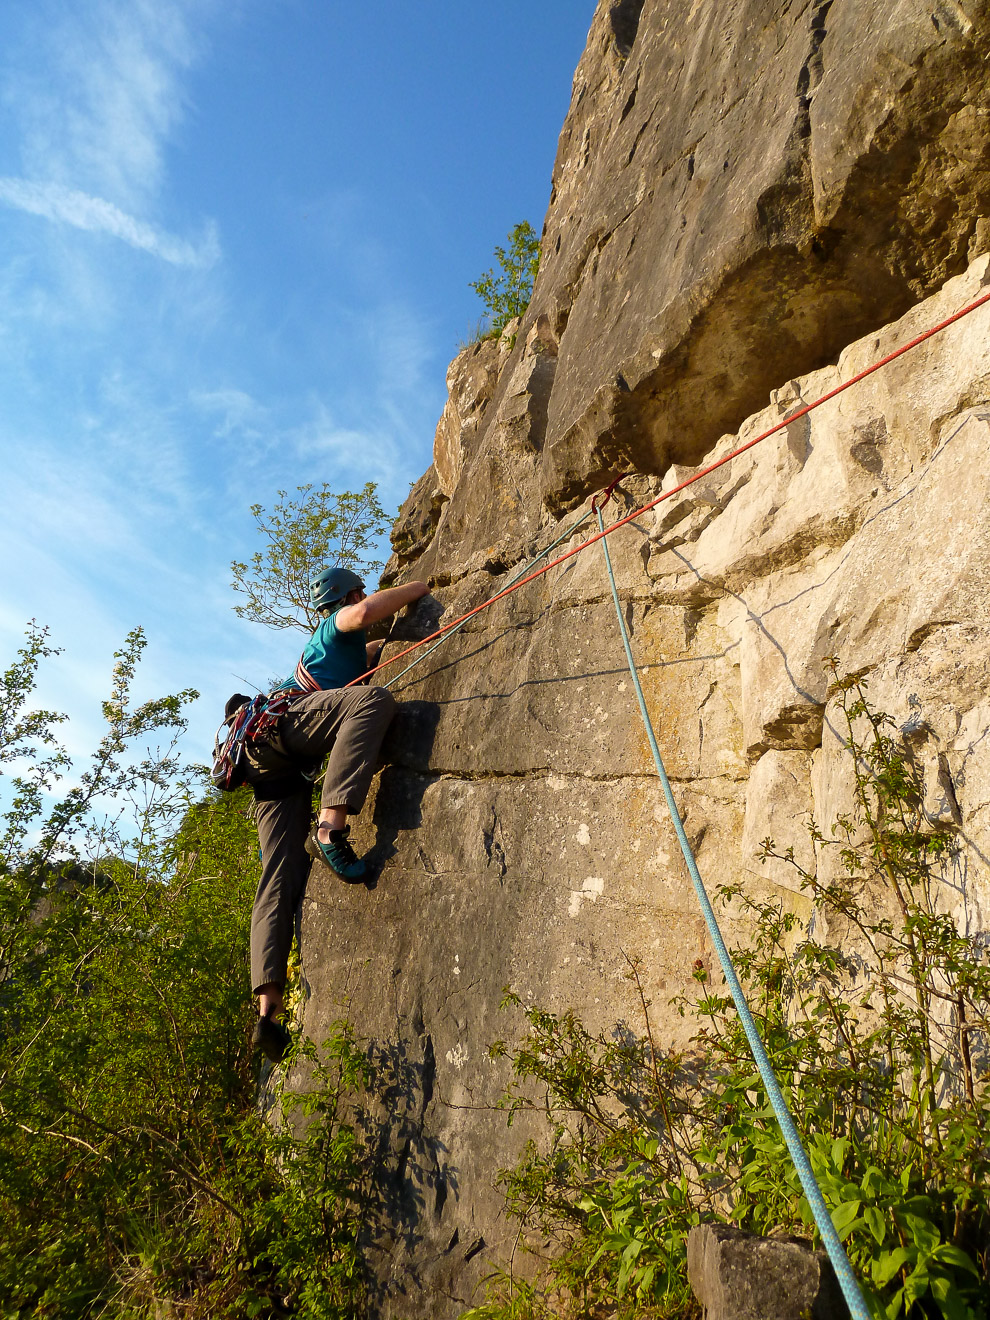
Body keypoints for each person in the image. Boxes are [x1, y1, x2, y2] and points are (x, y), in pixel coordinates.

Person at [243, 565, 430, 1061]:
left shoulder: (336, 653)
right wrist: (421, 586)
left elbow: (369, 648)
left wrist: (389, 643)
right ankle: (330, 828)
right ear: (347, 594)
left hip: (269, 763)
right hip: (286, 730)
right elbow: (363, 615)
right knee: (372, 701)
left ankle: (267, 1010)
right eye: (358, 591)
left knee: (278, 873)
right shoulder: (334, 625)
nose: (363, 596)